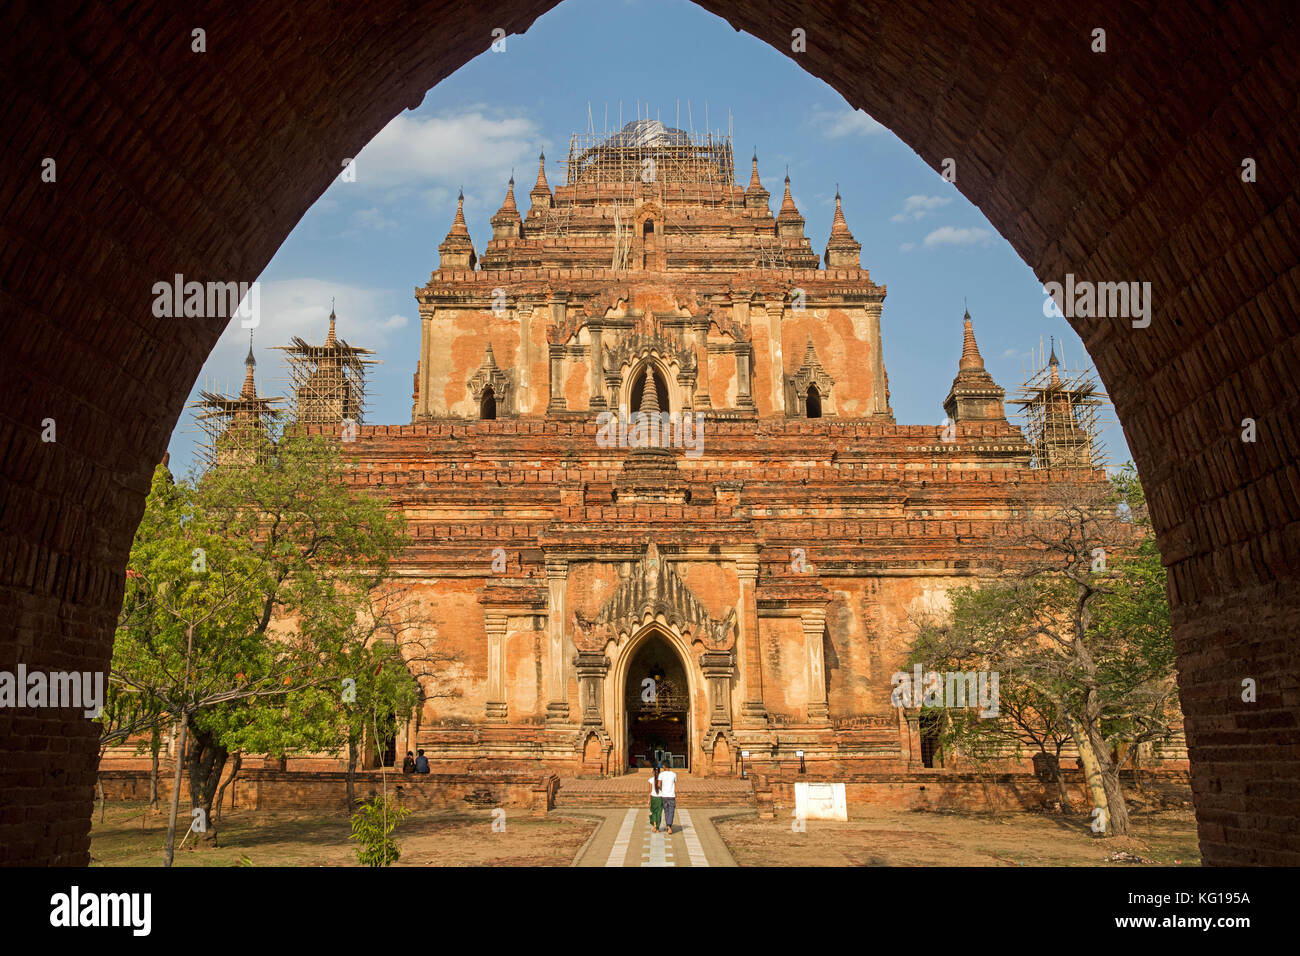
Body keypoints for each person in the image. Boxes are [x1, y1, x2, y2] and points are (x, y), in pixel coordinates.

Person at [658, 762, 678, 833]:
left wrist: (662, 790)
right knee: (671, 811)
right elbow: (674, 782)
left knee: (666, 811)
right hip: (671, 795)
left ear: (664, 766)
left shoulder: (661, 774)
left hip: (664, 795)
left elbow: (658, 785)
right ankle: (669, 826)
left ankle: (668, 826)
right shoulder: (673, 774)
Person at [648, 764, 664, 833]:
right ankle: (657, 828)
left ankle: (654, 825)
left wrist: (649, 800)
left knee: (654, 812)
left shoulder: (650, 780)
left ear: (653, 772)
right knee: (659, 813)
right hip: (660, 798)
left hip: (653, 798)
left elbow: (649, 791)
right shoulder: (662, 780)